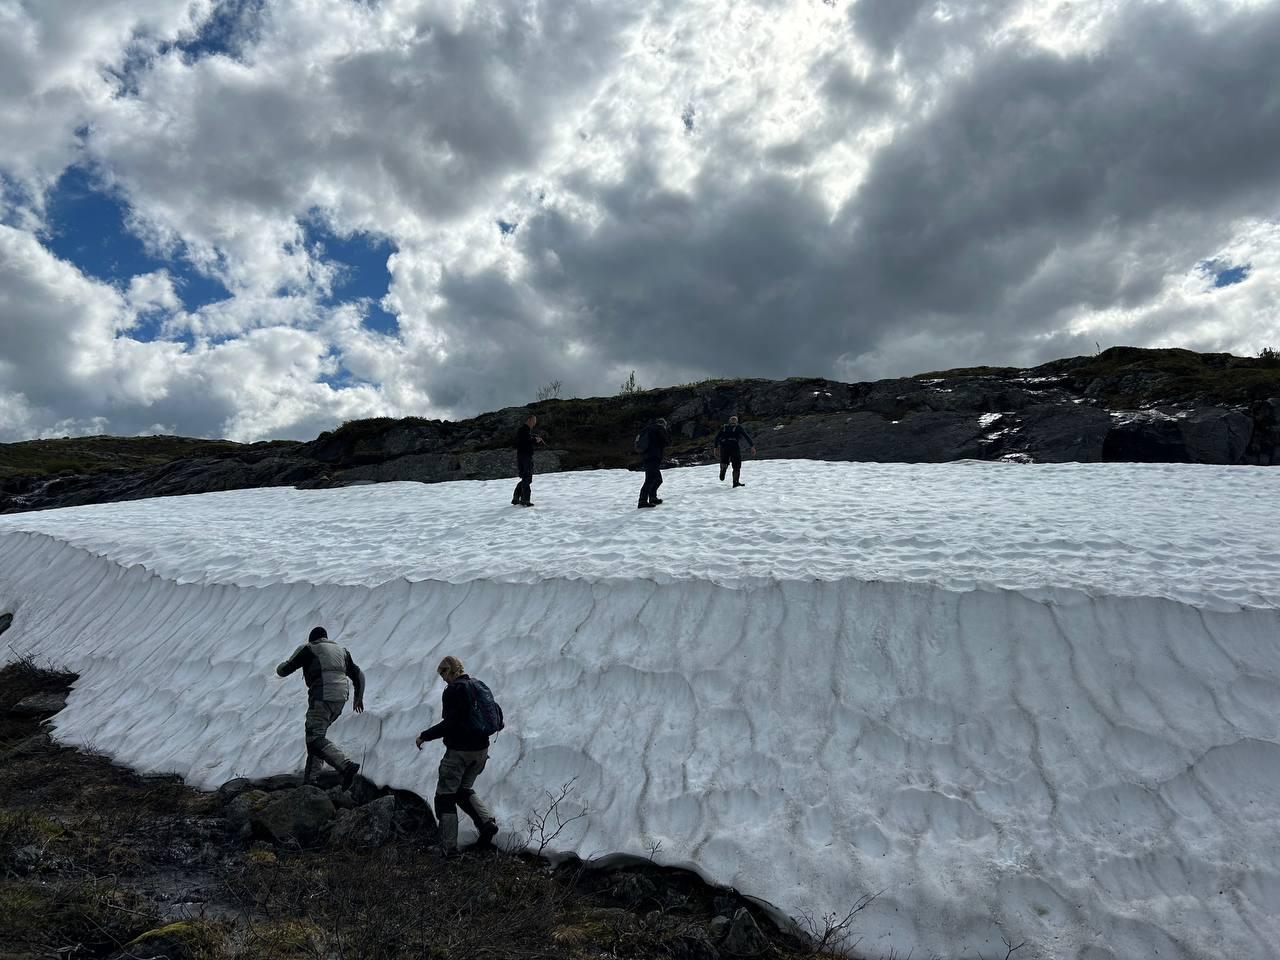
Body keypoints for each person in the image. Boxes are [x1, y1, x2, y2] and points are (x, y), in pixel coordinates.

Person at [416, 656, 500, 857]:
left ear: (452, 670)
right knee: (463, 790)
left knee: (445, 797)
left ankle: (448, 848)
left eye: (443, 673)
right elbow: (498, 715)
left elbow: (450, 724)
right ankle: (487, 824)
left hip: (459, 752)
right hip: (481, 751)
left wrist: (424, 736)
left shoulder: (454, 691)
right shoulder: (479, 685)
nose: (443, 678)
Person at [276, 626, 365, 789]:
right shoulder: (342, 651)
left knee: (314, 738)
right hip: (340, 699)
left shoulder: (309, 648)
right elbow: (359, 675)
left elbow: (283, 670)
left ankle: (345, 766)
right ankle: (310, 781)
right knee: (317, 736)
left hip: (322, 696)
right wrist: (358, 697)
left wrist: (280, 667)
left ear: (312, 639)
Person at [512, 413, 546, 507]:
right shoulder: (523, 430)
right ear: (529, 420)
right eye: (533, 421)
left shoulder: (525, 431)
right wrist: (535, 440)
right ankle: (525, 499)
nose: (534, 423)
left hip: (522, 456)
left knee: (525, 478)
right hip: (525, 457)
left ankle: (516, 497)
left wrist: (534, 439)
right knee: (527, 478)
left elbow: (525, 441)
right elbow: (526, 441)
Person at [637, 417, 671, 509]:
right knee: (650, 479)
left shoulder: (646, 429)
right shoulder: (659, 428)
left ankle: (652, 497)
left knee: (657, 479)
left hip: (646, 457)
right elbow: (666, 442)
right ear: (663, 424)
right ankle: (642, 501)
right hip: (654, 456)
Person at [714, 415, 756, 487]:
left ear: (729, 421)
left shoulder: (724, 427)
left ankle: (723, 470)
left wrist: (715, 448)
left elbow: (717, 437)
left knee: (724, 461)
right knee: (736, 465)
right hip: (734, 447)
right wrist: (752, 446)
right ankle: (735, 482)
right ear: (736, 421)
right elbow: (746, 436)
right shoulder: (738, 427)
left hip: (724, 446)